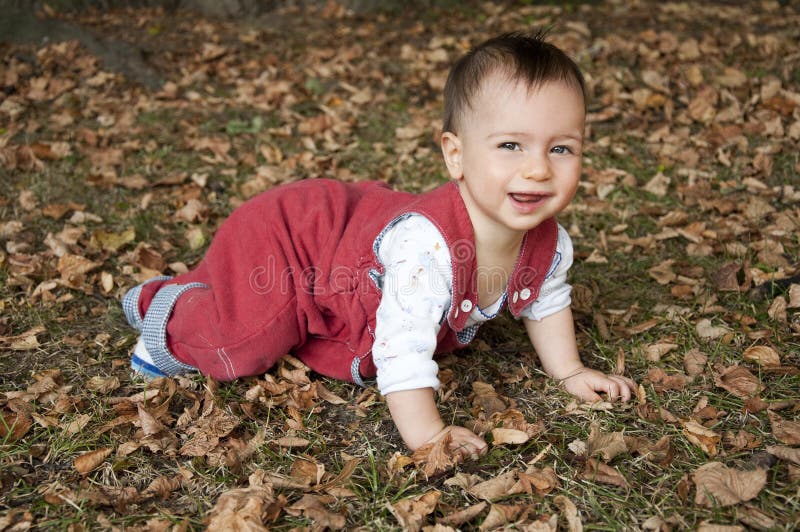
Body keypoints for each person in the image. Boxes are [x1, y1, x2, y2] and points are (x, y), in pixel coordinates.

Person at [122, 31, 636, 459]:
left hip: (349, 241)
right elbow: (401, 349)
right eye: (510, 145)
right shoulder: (428, 251)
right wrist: (428, 437)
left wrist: (569, 371)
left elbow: (546, 300)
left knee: (295, 331)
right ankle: (165, 307)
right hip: (298, 239)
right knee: (245, 341)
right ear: (456, 156)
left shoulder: (549, 244)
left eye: (561, 148)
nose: (539, 168)